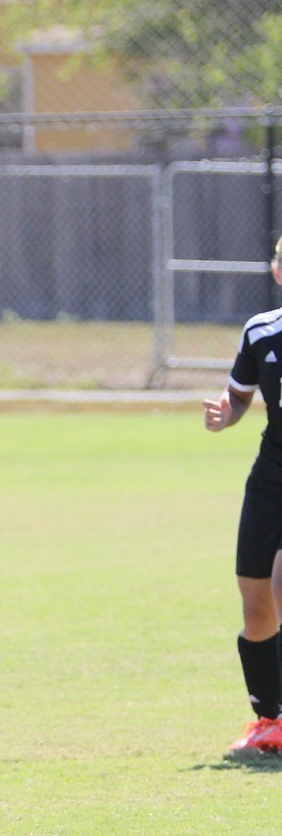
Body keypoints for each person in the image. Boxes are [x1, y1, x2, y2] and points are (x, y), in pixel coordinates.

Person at [204, 233, 282, 755]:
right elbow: (238, 396)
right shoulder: (260, 331)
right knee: (255, 603)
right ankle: (268, 721)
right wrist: (224, 416)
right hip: (271, 477)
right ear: (278, 271)